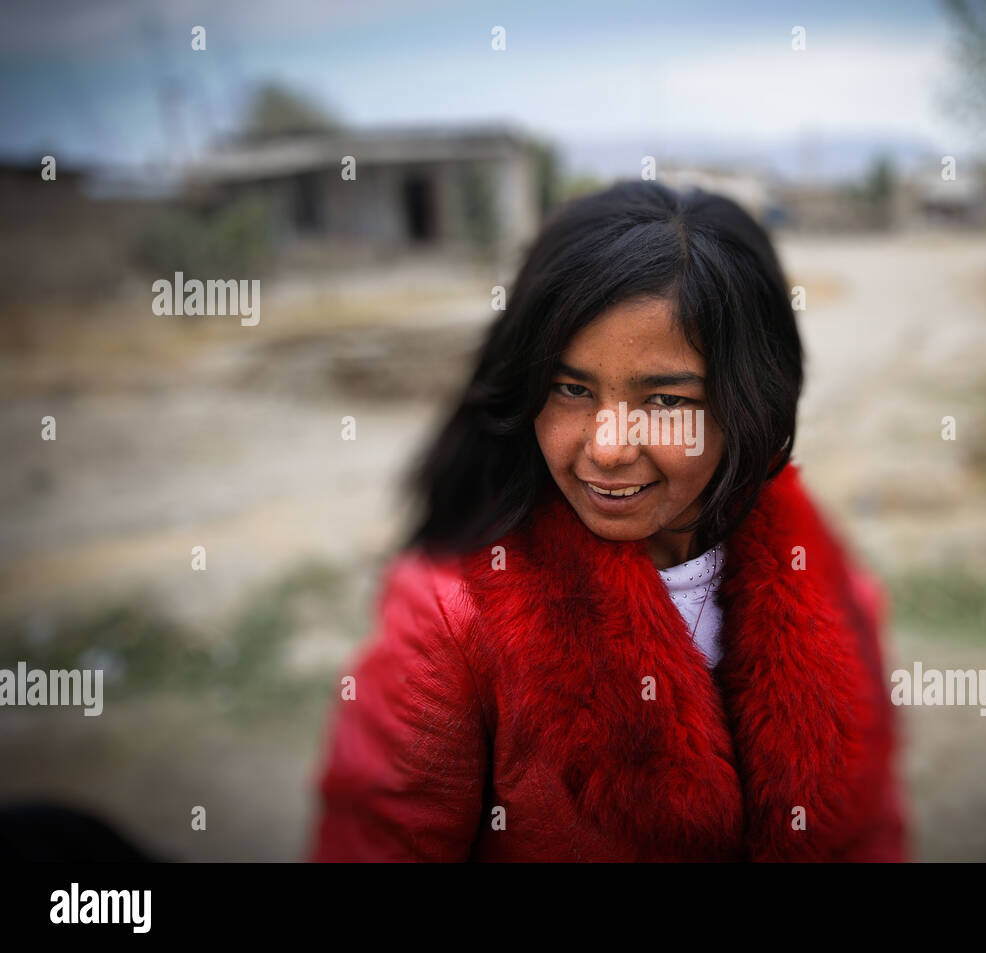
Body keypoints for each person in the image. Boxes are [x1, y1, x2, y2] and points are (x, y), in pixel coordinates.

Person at [307, 180, 909, 862]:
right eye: (571, 389)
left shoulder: (828, 584)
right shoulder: (451, 619)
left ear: (750, 400)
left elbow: (870, 831)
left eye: (662, 397)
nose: (608, 446)